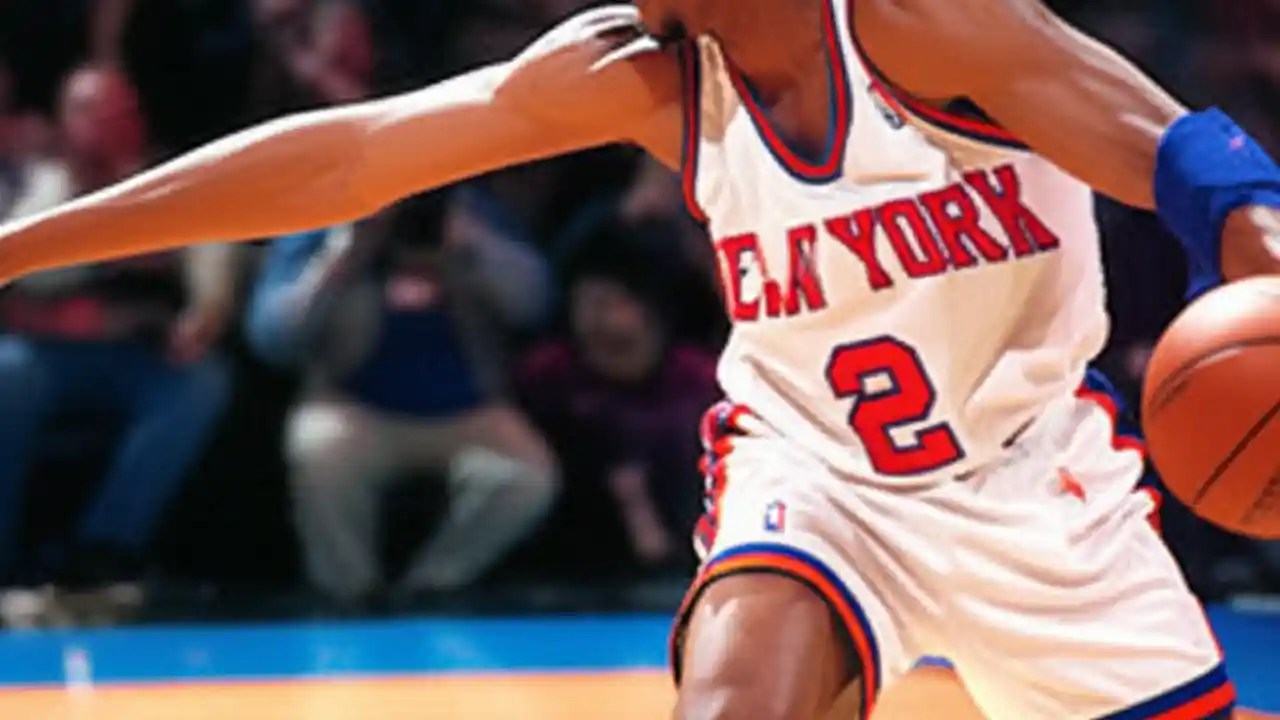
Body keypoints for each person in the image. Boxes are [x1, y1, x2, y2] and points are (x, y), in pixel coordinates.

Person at [0, 1, 1277, 717]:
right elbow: (348, 157)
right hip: (815, 479)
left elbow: (1191, 163)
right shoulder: (639, 71)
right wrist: (24, 245)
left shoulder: (927, 22)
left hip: (1036, 485)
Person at [245, 189, 558, 604]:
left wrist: (475, 245)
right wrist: (341, 258)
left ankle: (432, 586)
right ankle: (349, 594)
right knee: (320, 449)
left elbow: (536, 304)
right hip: (353, 405)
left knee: (527, 475)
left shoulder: (471, 209)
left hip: (470, 410)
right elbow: (270, 339)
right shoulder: (324, 216)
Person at [0, 66, 234, 589]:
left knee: (200, 382)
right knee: (5, 376)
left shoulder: (168, 181)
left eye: (116, 109)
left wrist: (205, 314)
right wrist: (85, 197)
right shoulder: (35, 182)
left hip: (140, 355)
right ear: (62, 121)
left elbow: (214, 250)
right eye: (86, 110)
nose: (103, 121)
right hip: (42, 352)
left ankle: (104, 548)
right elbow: (27, 281)